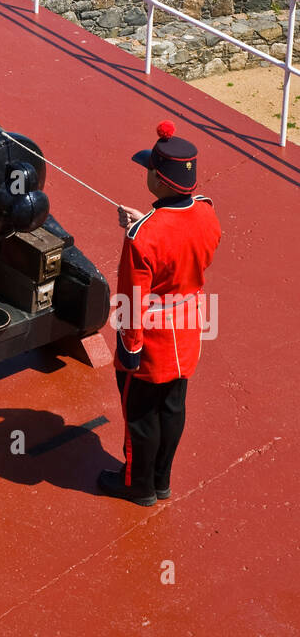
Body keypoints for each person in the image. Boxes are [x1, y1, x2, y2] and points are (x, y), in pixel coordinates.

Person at [99, 120, 221, 506]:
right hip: (188, 328)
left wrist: (129, 347)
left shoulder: (143, 236)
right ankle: (162, 480)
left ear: (161, 180)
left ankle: (138, 485)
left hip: (151, 336)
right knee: (173, 406)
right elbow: (183, 240)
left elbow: (132, 299)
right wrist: (148, 221)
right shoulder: (207, 213)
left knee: (140, 415)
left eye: (149, 170)